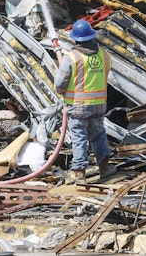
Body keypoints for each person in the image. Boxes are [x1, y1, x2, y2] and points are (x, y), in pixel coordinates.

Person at [54, 18, 117, 183]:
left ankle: (80, 175)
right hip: (98, 105)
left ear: (75, 38)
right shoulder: (104, 55)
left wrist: (63, 91)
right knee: (99, 135)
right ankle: (104, 168)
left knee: (79, 138)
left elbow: (59, 84)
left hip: (77, 107)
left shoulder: (71, 58)